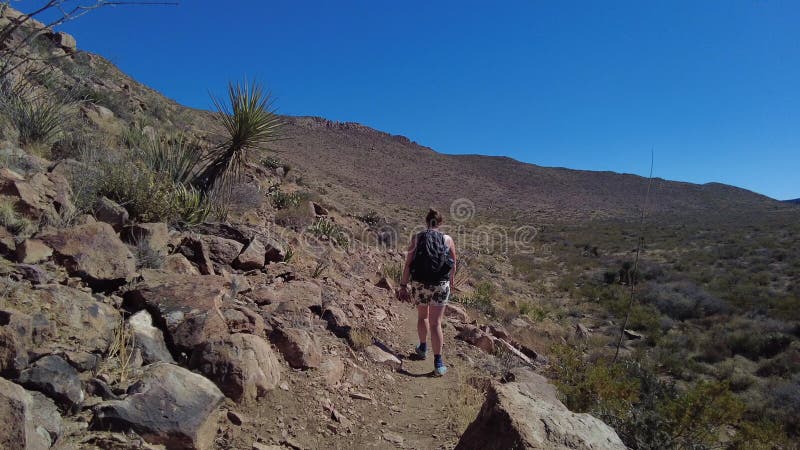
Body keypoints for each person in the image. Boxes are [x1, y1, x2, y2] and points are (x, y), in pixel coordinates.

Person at [397, 208, 457, 376]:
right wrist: (450, 281)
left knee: (422, 317)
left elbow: (408, 264)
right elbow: (453, 263)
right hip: (440, 284)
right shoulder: (448, 239)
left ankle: (423, 348)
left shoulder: (417, 238)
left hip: (420, 284)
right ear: (440, 223)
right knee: (436, 323)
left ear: (426, 222)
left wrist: (403, 285)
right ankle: (438, 363)